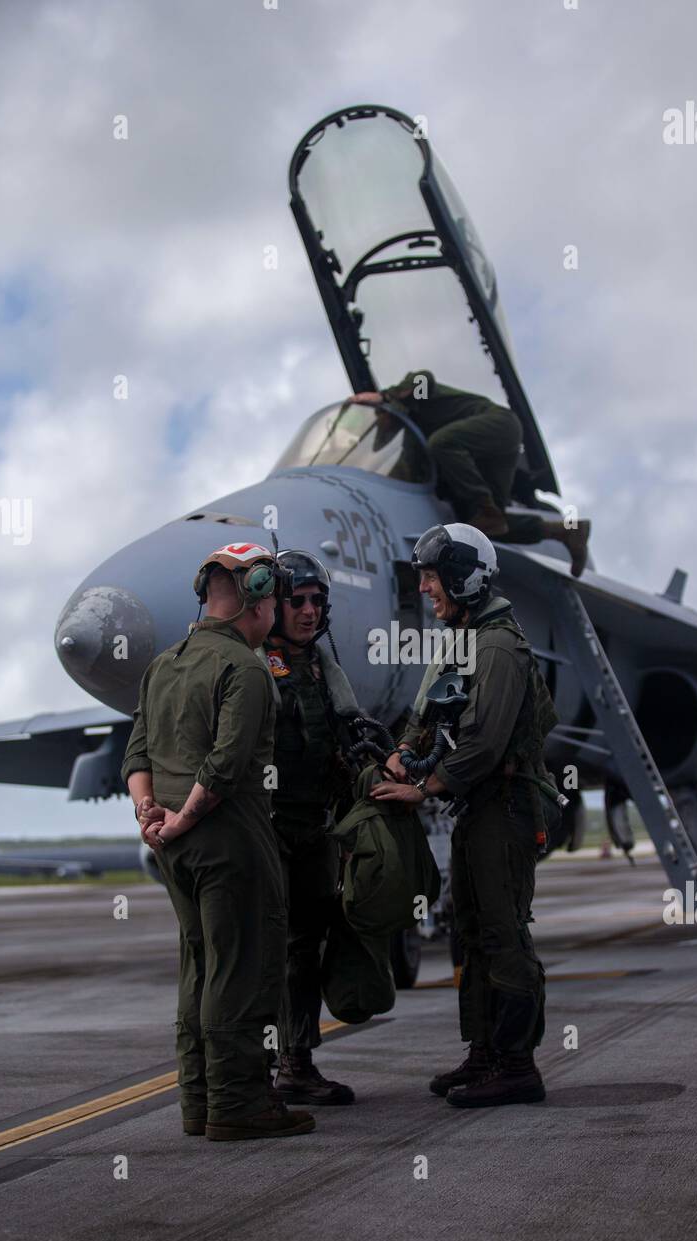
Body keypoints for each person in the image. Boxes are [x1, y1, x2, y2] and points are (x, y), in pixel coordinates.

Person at [121, 542, 315, 1143]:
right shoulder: (248, 669)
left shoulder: (165, 663)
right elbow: (227, 764)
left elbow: (137, 754)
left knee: (199, 966)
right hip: (230, 840)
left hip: (175, 849)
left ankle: (197, 1101)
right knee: (241, 968)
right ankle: (238, 1105)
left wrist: (151, 818)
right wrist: (182, 820)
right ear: (257, 598)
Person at [371, 523, 556, 1107]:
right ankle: (484, 1054)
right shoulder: (460, 638)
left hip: (506, 807)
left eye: (431, 576)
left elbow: (483, 743)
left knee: (503, 932)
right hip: (477, 807)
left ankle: (518, 1065)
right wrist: (402, 753)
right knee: (471, 933)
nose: (424, 587)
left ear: (460, 576)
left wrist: (424, 789)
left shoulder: (497, 645)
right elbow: (426, 712)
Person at [264, 551, 360, 1106]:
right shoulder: (250, 662)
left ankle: (297, 1062)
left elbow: (348, 730)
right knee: (263, 946)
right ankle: (250, 1069)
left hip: (315, 827)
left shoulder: (325, 663)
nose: (307, 610)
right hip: (268, 828)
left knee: (307, 946)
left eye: (316, 601)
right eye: (296, 600)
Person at [350, 370, 591, 575]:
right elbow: (401, 471)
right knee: (485, 527)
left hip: (500, 424)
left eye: (380, 415)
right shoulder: (413, 443)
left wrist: (384, 396)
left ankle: (485, 507)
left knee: (442, 443)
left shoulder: (417, 398)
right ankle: (567, 532)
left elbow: (423, 379)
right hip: (485, 456)